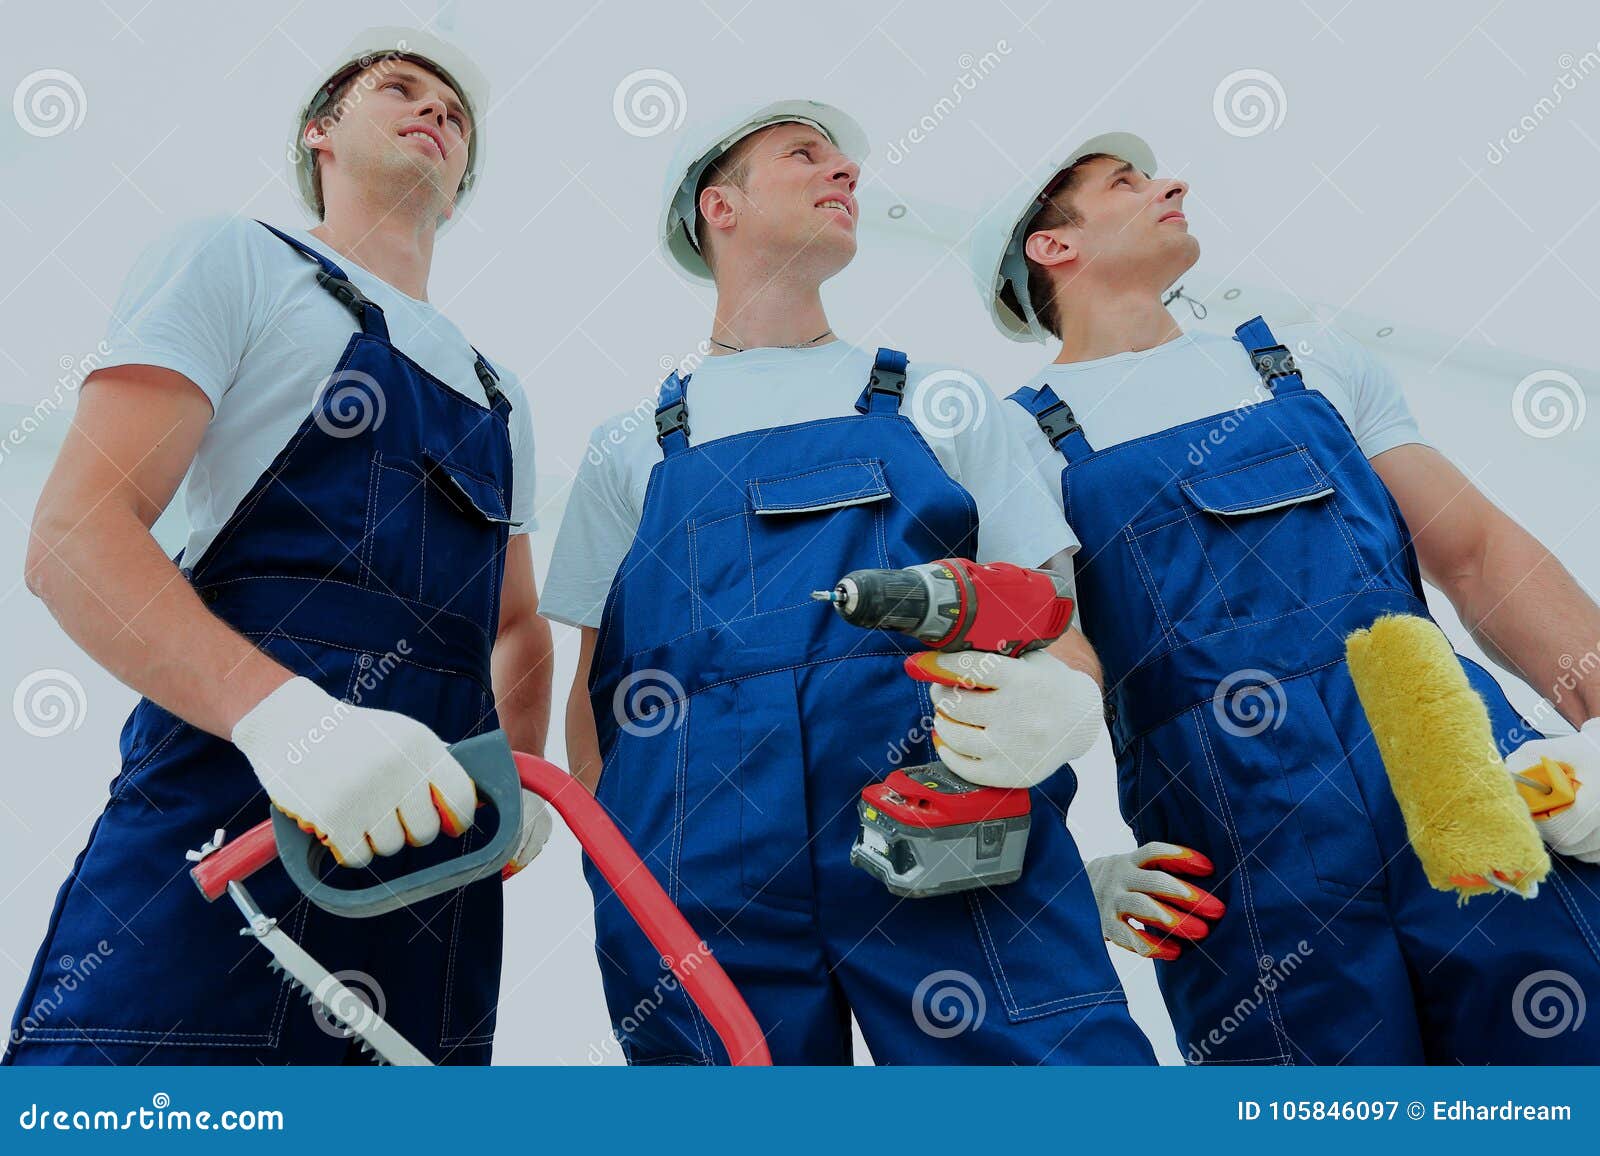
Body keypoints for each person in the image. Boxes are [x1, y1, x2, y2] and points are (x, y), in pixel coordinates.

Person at [540, 100, 1154, 1065]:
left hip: (949, 841)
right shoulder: (634, 448)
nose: (846, 174)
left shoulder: (943, 405)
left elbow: (1056, 626)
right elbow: (595, 694)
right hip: (698, 884)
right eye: (804, 154)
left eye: (848, 162)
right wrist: (620, 872)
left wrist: (1064, 701)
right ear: (720, 206)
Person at [973, 131, 1600, 1063]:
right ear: (1052, 245)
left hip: (1455, 769)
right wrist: (1062, 875)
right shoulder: (1016, 444)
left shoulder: (1308, 363)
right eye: (1124, 182)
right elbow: (1049, 673)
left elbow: (1475, 555)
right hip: (1242, 847)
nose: (1172, 182)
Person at [6, 27, 552, 1066]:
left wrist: (514, 777)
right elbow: (75, 537)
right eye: (399, 87)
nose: (435, 109)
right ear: (319, 132)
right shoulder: (239, 260)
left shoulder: (498, 390)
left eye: (456, 111)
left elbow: (518, 625)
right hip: (232, 815)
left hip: (430, 866)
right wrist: (288, 724)